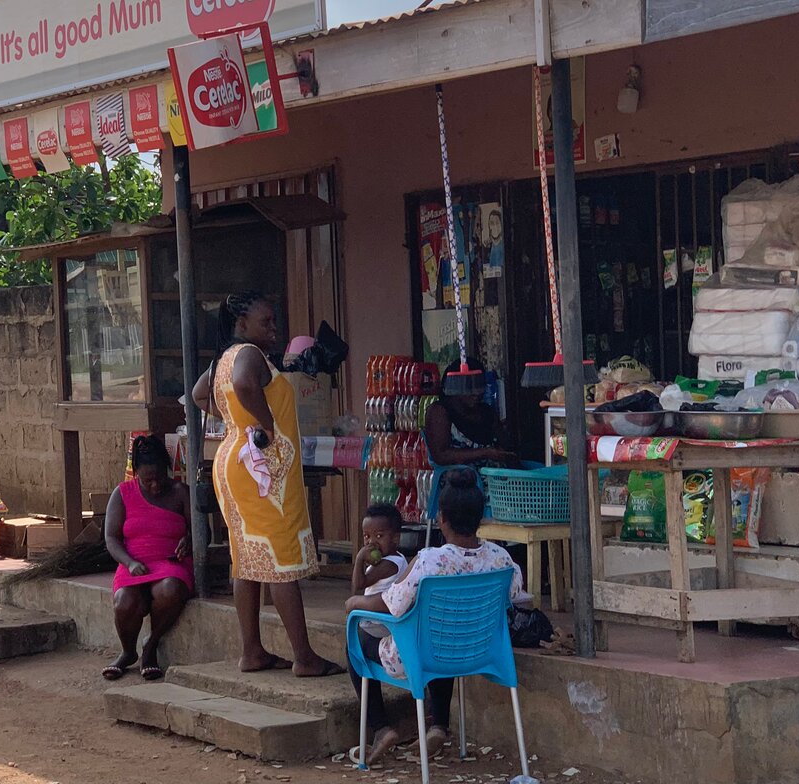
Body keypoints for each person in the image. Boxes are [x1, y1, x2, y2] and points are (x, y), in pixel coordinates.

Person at [193, 291, 343, 677]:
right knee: (281, 561)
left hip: (233, 461)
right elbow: (244, 384)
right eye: (267, 322)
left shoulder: (223, 358)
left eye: (275, 321)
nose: (274, 329)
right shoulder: (247, 355)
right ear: (242, 325)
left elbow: (198, 394)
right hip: (261, 470)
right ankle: (304, 657)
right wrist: (265, 424)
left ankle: (252, 651)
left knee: (247, 558)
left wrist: (236, 421)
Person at [346, 469, 523, 764]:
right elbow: (516, 592)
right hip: (481, 651)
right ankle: (438, 724)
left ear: (441, 519)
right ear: (480, 519)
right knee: (445, 631)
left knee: (357, 637)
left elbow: (393, 605)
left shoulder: (431, 560)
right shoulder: (501, 558)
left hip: (425, 655)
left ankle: (380, 728)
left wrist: (355, 601)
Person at [102, 434, 193, 681]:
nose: (155, 485)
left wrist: (190, 539)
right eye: (147, 480)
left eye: (159, 478)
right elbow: (111, 538)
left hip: (170, 562)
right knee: (124, 602)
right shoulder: (122, 494)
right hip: (134, 563)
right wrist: (130, 563)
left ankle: (151, 645)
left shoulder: (179, 492)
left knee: (170, 589)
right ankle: (128, 652)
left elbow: (198, 529)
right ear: (136, 475)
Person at [423, 358, 516, 467]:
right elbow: (441, 455)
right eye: (469, 388)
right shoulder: (439, 411)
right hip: (457, 480)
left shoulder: (486, 411)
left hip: (494, 478)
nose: (476, 394)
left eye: (479, 387)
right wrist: (485, 453)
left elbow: (505, 444)